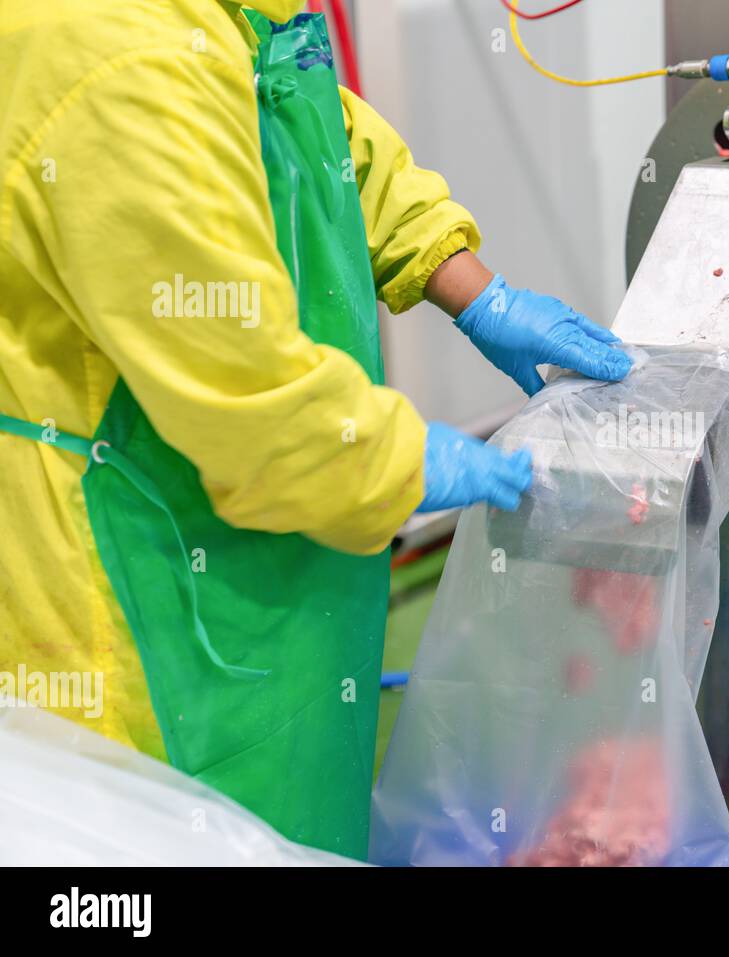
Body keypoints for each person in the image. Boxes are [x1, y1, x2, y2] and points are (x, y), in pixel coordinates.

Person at [0, 0, 630, 858]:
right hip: (145, 577)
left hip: (285, 552)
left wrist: (476, 291)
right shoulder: (117, 60)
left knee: (301, 808)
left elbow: (315, 137)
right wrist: (404, 459)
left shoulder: (231, 19)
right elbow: (246, 399)